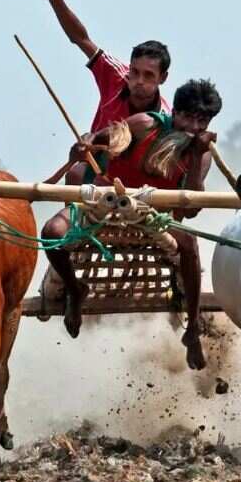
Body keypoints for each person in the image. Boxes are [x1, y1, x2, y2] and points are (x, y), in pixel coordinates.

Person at [41, 79, 222, 370]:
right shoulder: (144, 123)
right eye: (188, 117)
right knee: (52, 234)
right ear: (174, 112)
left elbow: (192, 211)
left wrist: (199, 153)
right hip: (103, 202)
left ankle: (192, 331)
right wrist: (85, 146)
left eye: (202, 121)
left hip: (155, 217)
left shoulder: (201, 153)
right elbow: (96, 138)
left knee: (189, 244)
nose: (193, 127)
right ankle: (76, 290)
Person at [38, 0, 171, 183]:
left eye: (149, 76)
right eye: (135, 72)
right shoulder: (116, 75)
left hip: (137, 179)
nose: (138, 81)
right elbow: (79, 38)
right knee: (74, 174)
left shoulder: (165, 117)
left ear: (163, 78)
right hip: (93, 165)